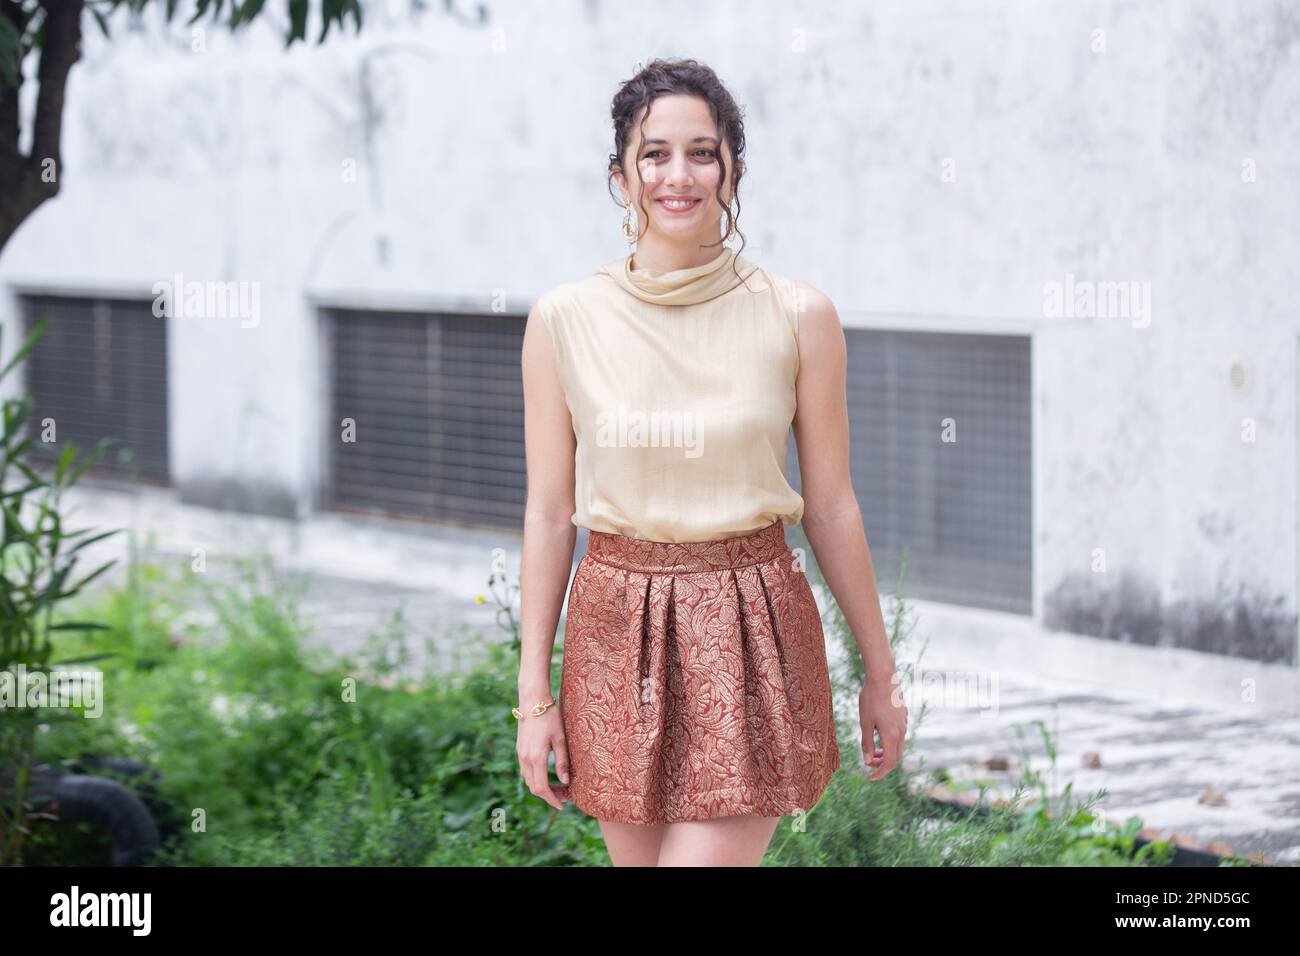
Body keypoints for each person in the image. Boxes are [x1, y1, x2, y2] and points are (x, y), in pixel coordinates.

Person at [517, 57, 906, 867]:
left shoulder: (799, 315)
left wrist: (880, 672)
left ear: (732, 168)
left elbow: (831, 505)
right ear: (620, 175)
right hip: (616, 629)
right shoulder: (564, 321)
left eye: (702, 151)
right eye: (654, 153)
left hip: (750, 622)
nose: (677, 175)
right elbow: (550, 515)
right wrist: (533, 697)